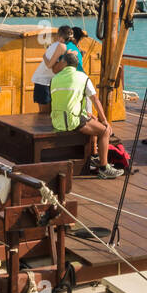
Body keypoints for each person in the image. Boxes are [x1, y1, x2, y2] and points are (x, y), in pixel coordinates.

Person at [49, 51, 123, 179]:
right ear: (77, 64)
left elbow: (65, 102)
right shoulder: (83, 78)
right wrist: (104, 120)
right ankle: (104, 168)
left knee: (91, 119)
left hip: (57, 120)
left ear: (64, 63)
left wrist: (87, 114)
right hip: (73, 121)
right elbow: (95, 99)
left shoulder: (55, 78)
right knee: (104, 131)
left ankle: (94, 156)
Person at [31, 26, 83, 107]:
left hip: (46, 81)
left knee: (44, 115)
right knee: (49, 114)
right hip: (46, 81)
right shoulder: (71, 47)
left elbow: (49, 65)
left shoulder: (59, 46)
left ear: (59, 37)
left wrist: (44, 56)